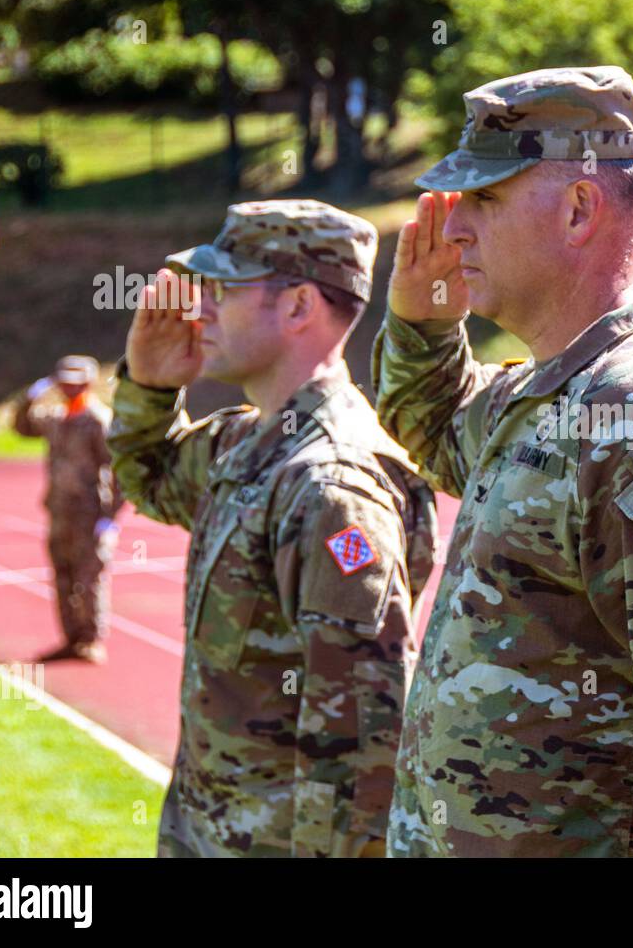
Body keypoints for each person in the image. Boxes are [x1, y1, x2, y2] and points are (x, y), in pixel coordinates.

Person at [372, 66, 633, 857]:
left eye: (482, 200)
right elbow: (441, 428)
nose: (453, 231)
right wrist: (421, 326)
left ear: (580, 207)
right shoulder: (554, 388)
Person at [108, 199, 437, 857]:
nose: (198, 309)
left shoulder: (331, 485)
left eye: (222, 290)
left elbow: (361, 752)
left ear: (297, 307)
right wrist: (148, 385)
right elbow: (150, 477)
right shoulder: (250, 440)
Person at [14, 355, 122, 664]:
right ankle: (71, 638)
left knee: (90, 579)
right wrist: (30, 396)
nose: (69, 388)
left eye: (75, 383)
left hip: (89, 515)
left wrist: (109, 517)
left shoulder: (98, 420)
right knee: (63, 577)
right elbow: (22, 427)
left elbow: (119, 471)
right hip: (60, 512)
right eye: (64, 383)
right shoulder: (56, 418)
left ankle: (90, 639)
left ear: (87, 384)